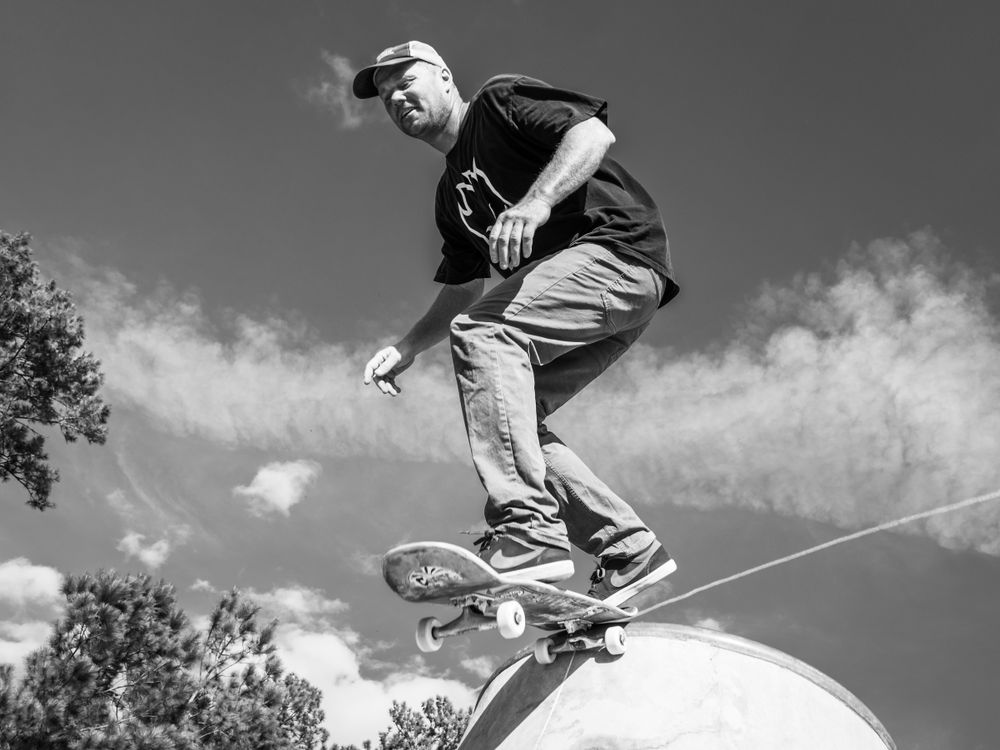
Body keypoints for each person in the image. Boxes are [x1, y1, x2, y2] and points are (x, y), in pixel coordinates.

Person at [357, 41, 678, 606]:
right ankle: (629, 551)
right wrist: (407, 347)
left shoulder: (498, 102)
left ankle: (529, 531)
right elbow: (463, 289)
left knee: (484, 334)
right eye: (386, 96)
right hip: (599, 298)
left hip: (617, 255)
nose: (396, 98)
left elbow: (591, 135)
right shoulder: (450, 200)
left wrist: (537, 202)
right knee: (511, 414)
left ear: (445, 77)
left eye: (406, 82)